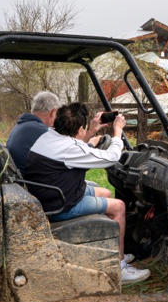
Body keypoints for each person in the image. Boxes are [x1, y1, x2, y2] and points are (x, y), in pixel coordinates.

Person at [23, 102, 150, 284]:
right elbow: (112, 157)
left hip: (52, 194)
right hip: (61, 205)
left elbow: (75, 143)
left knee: (105, 192)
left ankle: (112, 250)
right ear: (79, 128)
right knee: (119, 207)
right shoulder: (70, 148)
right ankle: (120, 268)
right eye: (84, 128)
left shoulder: (49, 136)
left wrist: (91, 129)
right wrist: (118, 132)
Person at [6, 91, 113, 199]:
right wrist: (91, 144)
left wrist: (90, 132)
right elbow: (73, 155)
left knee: (93, 186)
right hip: (48, 192)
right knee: (105, 194)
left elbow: (70, 150)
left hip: (34, 185)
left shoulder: (24, 127)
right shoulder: (43, 133)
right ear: (53, 112)